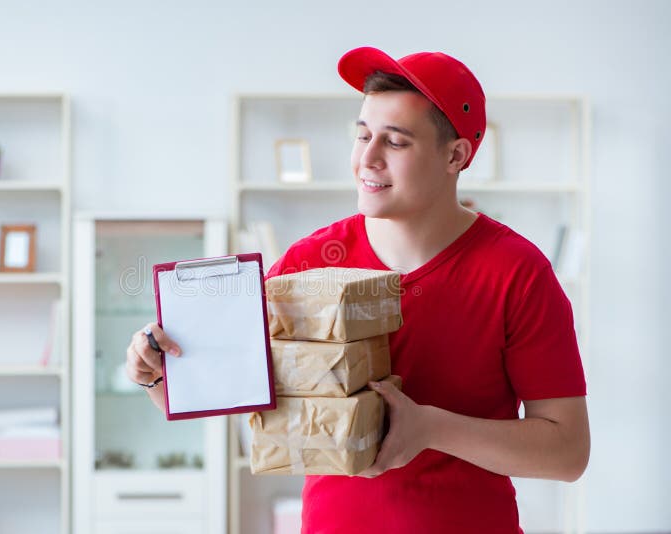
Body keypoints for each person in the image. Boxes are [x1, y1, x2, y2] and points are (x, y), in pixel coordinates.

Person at [125, 46, 590, 533]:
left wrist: (431, 428)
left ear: (456, 155)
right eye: (363, 135)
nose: (367, 159)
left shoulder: (517, 272)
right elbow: (228, 394)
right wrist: (158, 375)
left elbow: (568, 453)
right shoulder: (306, 261)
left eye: (396, 142)